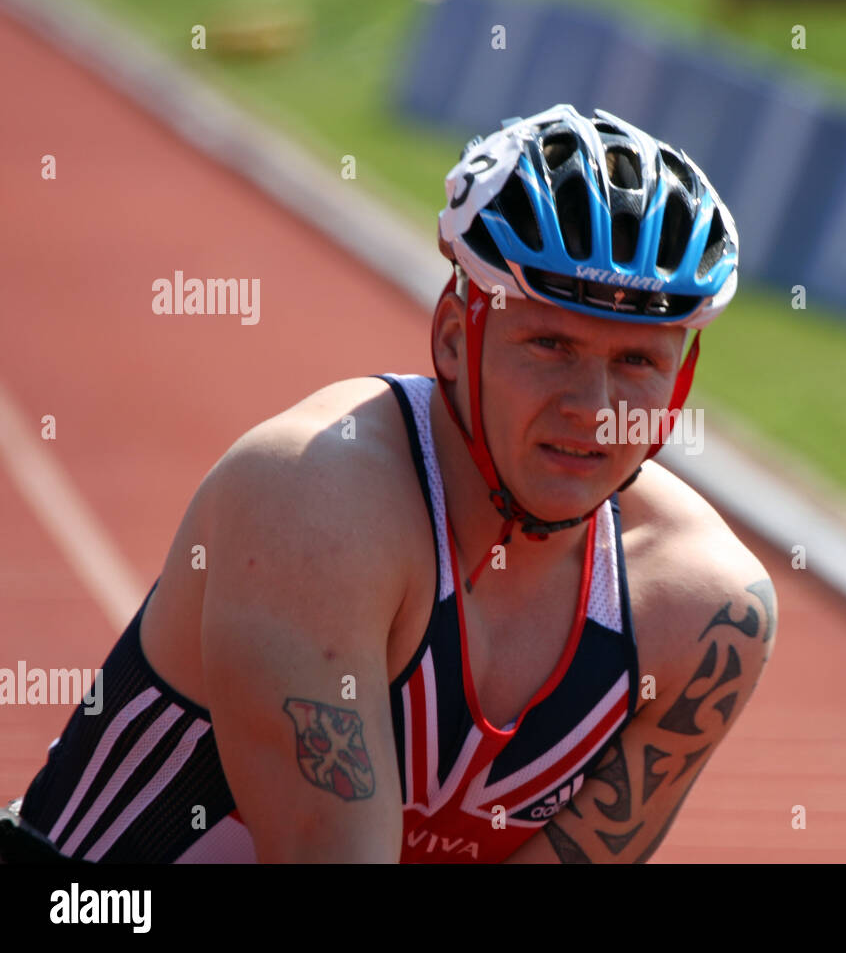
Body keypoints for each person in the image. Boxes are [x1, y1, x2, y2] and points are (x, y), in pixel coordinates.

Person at [0, 103, 777, 864]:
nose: (592, 408)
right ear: (451, 336)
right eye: (549, 344)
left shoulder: (708, 617)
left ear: (682, 383)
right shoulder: (310, 498)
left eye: (637, 363)